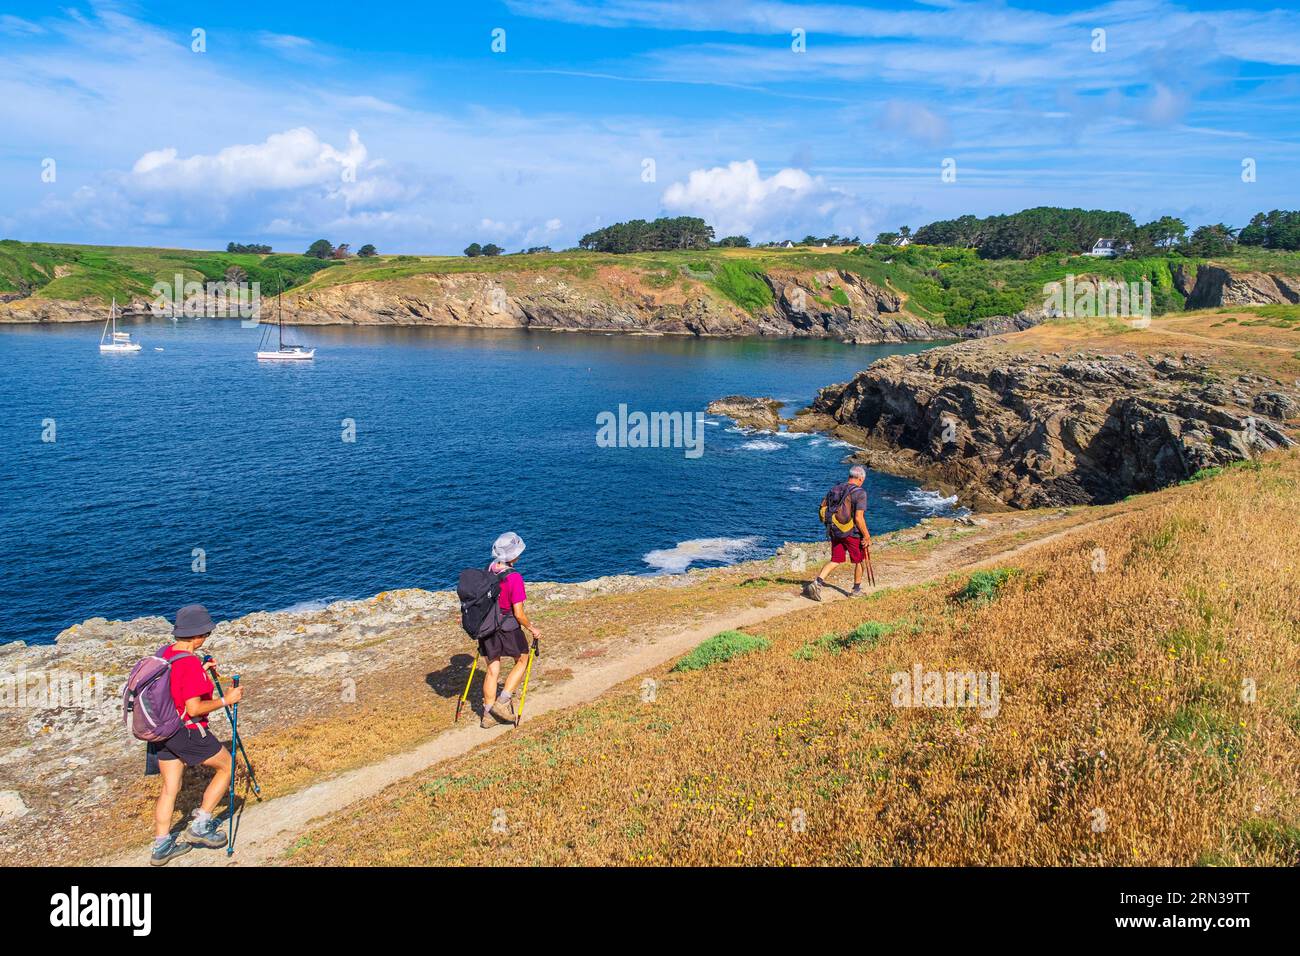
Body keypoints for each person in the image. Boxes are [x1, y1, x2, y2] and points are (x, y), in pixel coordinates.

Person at [147, 604, 243, 865]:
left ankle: (161, 845)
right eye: (207, 634)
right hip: (187, 730)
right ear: (198, 636)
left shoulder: (166, 653)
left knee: (170, 787)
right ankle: (200, 825)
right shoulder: (189, 665)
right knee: (227, 766)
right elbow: (194, 708)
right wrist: (228, 700)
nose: (207, 637)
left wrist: (202, 664)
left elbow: (175, 677)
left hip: (162, 729)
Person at [480, 532, 541, 728]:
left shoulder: (489, 569)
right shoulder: (514, 578)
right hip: (507, 626)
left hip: (487, 626)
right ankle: (503, 701)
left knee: (492, 668)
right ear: (512, 555)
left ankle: (487, 716)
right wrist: (532, 628)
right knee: (523, 658)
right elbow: (519, 613)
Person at [803, 465, 871, 601]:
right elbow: (858, 518)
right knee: (860, 561)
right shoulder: (860, 492)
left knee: (836, 559)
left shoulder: (835, 488)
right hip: (852, 533)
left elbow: (822, 506)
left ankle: (817, 583)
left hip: (835, 530)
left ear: (849, 476)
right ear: (861, 478)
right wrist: (867, 536)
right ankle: (856, 590)